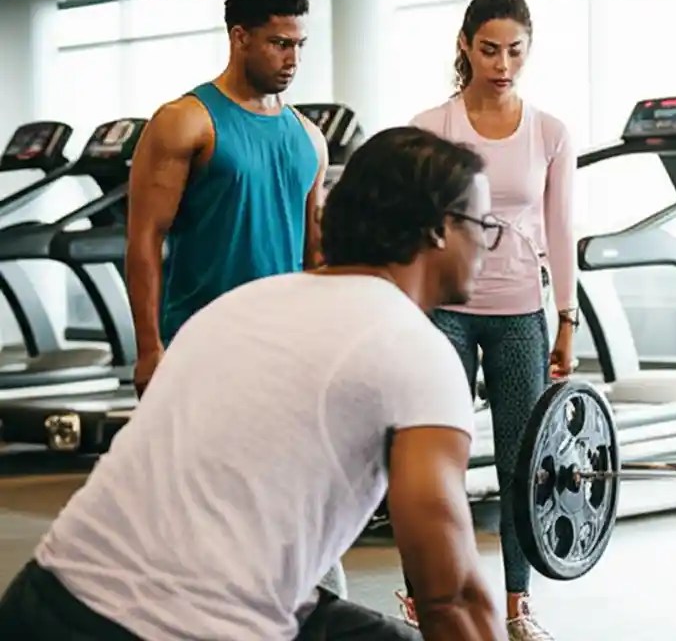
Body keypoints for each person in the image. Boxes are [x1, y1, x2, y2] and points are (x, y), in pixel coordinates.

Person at [0, 126, 505, 641]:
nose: (488, 244)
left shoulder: (243, 303)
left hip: (39, 603)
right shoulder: (415, 347)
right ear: (439, 229)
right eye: (482, 225)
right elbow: (449, 596)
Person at [402, 0, 575, 641]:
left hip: (519, 311)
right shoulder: (431, 126)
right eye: (489, 50)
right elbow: (415, 228)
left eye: (515, 52)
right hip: (445, 309)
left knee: (520, 463)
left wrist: (566, 316)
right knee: (435, 457)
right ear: (466, 48)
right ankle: (429, 592)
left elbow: (560, 229)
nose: (502, 65)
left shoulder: (549, 131)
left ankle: (516, 603)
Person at [125, 0, 329, 398]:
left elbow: (314, 252)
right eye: (279, 44)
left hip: (284, 345)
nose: (293, 59)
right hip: (201, 342)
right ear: (240, 37)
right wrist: (148, 349)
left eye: (299, 45)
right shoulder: (185, 121)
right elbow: (145, 238)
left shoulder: (310, 137)